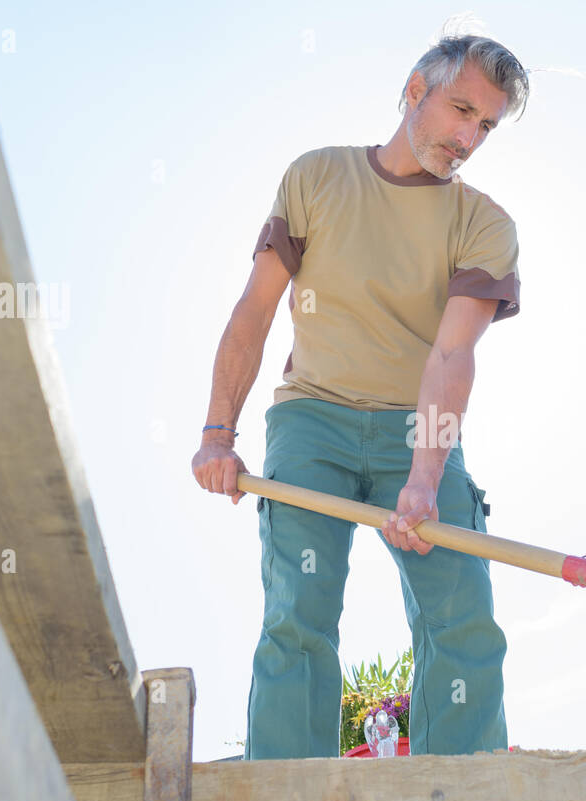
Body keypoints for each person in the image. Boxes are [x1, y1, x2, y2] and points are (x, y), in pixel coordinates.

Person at [191, 31, 530, 759]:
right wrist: (219, 433)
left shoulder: (486, 225)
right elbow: (252, 313)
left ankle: (462, 797)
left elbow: (451, 353)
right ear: (415, 90)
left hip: (420, 432)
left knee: (463, 617)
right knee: (298, 614)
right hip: (312, 422)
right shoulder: (317, 178)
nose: (469, 137)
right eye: (461, 110)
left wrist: (425, 480)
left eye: (486, 126)